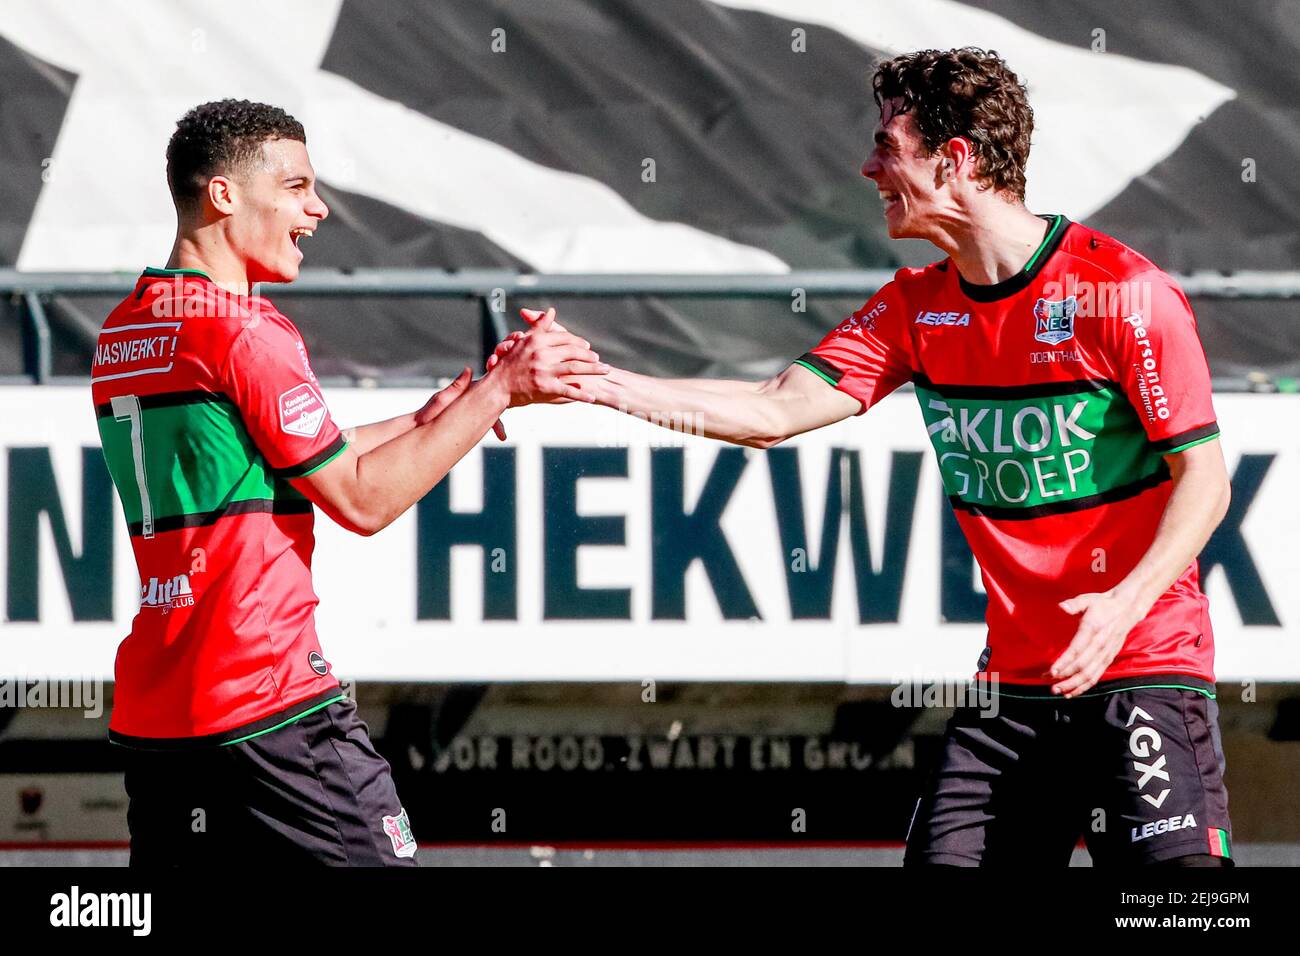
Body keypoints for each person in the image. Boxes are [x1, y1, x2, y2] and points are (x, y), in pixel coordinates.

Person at [498, 48, 1234, 866]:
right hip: (1011, 696)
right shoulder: (916, 307)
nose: (867, 164)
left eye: (888, 144)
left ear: (954, 160)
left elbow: (1202, 479)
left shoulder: (1121, 293)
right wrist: (592, 381)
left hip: (1144, 673)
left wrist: (1124, 603)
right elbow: (771, 412)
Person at [91, 99, 606, 866]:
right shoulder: (243, 330)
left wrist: (444, 412)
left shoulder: (127, 330)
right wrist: (501, 393)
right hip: (268, 702)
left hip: (163, 714)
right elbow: (361, 500)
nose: (318, 207)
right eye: (297, 186)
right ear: (225, 196)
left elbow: (285, 463)